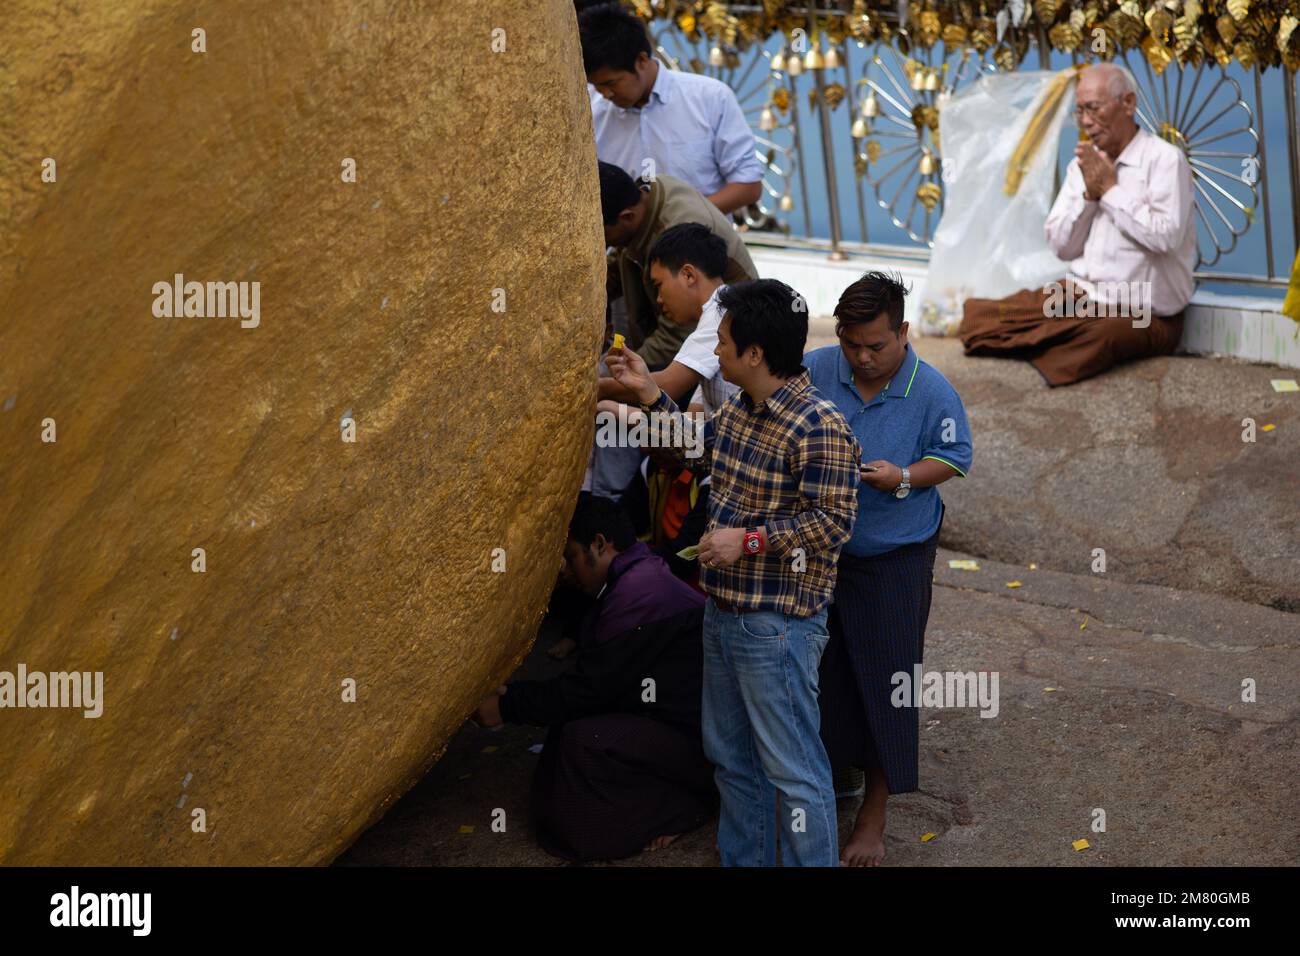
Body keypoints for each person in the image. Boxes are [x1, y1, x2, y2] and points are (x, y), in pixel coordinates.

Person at [606, 279, 861, 867]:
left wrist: (748, 541)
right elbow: (695, 447)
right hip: (724, 617)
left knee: (794, 771)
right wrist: (648, 392)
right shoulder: (741, 412)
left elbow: (833, 524)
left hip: (778, 629)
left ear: (754, 354)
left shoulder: (818, 425)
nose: (713, 354)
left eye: (722, 343)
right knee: (733, 762)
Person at [805, 272, 973, 867]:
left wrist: (903, 477)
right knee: (822, 674)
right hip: (823, 555)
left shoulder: (932, 391)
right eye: (852, 344)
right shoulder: (819, 368)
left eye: (876, 345)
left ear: (902, 332)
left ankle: (875, 813)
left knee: (889, 682)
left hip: (896, 556)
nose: (863, 358)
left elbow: (953, 459)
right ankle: (831, 781)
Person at [474, 494, 714, 862]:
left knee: (584, 743)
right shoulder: (634, 573)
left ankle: (687, 809)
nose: (564, 570)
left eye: (569, 556)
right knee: (568, 738)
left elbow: (589, 688)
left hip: (701, 746)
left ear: (599, 544)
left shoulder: (641, 589)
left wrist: (507, 705)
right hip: (667, 724)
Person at [958, 62, 1195, 386]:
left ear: (1127, 103)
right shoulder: (1084, 164)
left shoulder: (1165, 160)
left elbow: (1165, 237)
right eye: (1079, 111)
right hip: (1079, 296)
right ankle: (1041, 338)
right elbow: (1061, 247)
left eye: (1093, 109)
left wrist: (1110, 191)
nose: (1085, 121)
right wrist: (1089, 195)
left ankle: (1040, 340)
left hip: (1142, 311)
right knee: (980, 319)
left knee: (1101, 336)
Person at [579, 3, 765, 215]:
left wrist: (682, 217)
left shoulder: (710, 98)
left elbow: (748, 184)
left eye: (611, 83)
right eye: (596, 85)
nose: (605, 93)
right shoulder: (588, 109)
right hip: (619, 246)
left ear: (641, 60)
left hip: (698, 242)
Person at [601, 162, 758, 369]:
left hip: (730, 342)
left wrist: (611, 381)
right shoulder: (643, 203)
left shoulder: (677, 230)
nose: (604, 245)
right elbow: (614, 266)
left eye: (604, 236)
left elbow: (674, 338)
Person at [599, 222, 742, 413]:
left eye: (659, 285)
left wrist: (598, 387)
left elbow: (669, 384)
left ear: (688, 275)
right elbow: (692, 422)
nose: (658, 299)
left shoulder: (722, 314)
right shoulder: (715, 316)